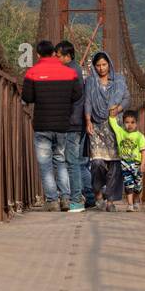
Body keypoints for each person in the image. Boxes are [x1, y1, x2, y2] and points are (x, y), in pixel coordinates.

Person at [21, 39, 80, 210]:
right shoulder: (69, 72)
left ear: (38, 54)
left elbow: (28, 97)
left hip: (42, 125)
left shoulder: (32, 72)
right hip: (62, 125)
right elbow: (76, 95)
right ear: (54, 53)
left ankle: (52, 200)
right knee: (60, 160)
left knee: (45, 164)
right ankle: (66, 199)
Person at [84, 50, 129, 212]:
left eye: (104, 64)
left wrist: (119, 108)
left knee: (114, 164)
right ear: (94, 67)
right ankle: (98, 193)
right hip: (96, 126)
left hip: (114, 126)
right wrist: (88, 120)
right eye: (98, 65)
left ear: (109, 64)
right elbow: (88, 101)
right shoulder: (90, 81)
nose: (101, 68)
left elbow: (126, 98)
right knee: (97, 162)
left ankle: (110, 200)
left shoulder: (119, 81)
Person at [55, 40, 86, 214]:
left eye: (58, 55)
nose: (56, 58)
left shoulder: (70, 71)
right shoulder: (75, 70)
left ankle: (75, 200)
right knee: (70, 161)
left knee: (71, 162)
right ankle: (72, 197)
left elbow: (68, 97)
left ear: (68, 56)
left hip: (71, 123)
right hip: (72, 121)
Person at [110, 109, 145, 211]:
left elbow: (143, 151)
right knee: (128, 184)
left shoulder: (140, 136)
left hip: (136, 164)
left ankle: (136, 200)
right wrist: (112, 114)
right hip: (125, 163)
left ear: (136, 123)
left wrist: (143, 164)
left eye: (132, 122)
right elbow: (113, 123)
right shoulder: (120, 133)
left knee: (138, 186)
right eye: (127, 122)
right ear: (123, 123)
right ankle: (130, 205)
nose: (129, 125)